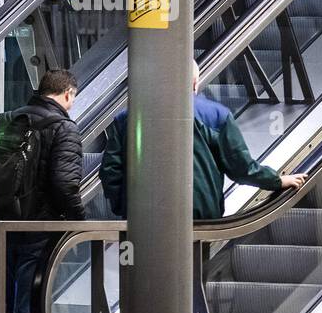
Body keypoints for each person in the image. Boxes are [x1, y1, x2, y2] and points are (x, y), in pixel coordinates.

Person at [100, 61, 306, 221]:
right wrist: (276, 180)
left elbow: (110, 169)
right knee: (192, 273)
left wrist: (126, 207)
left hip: (143, 221)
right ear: (195, 83)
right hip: (199, 221)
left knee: (140, 275)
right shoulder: (216, 115)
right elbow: (240, 167)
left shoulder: (127, 118)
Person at [1, 68, 85, 313]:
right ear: (67, 94)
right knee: (25, 312)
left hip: (1, 227)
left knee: (3, 310)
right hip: (38, 229)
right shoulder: (64, 128)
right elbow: (65, 184)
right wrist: (80, 222)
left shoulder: (8, 119)